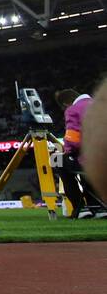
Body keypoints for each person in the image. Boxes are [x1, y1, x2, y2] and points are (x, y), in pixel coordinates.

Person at [55, 89, 107, 218]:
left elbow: (73, 140)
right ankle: (99, 208)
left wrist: (67, 151)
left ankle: (81, 209)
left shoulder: (73, 110)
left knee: (60, 163)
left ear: (66, 104)